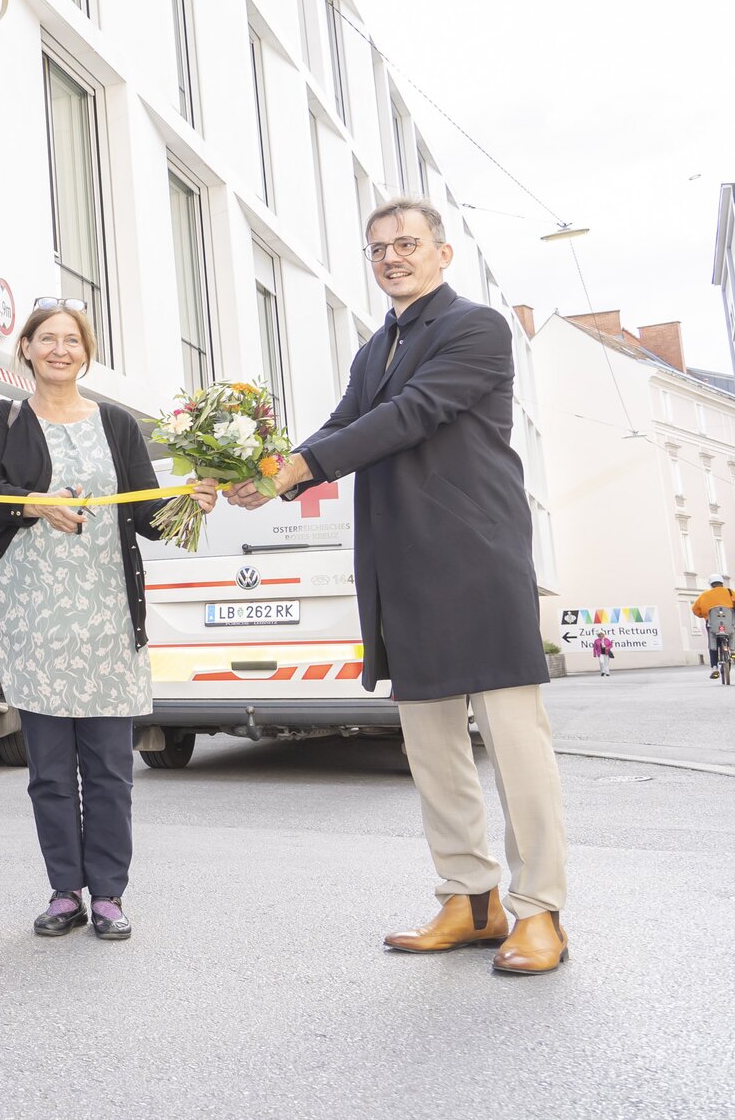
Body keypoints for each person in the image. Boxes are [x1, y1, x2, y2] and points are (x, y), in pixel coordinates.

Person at [227, 196, 570, 975]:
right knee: (432, 745)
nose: (391, 256)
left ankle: (540, 908)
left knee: (517, 746)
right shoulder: (375, 345)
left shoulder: (477, 327)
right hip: (402, 562)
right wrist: (266, 478)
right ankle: (470, 898)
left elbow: (413, 415)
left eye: (406, 243)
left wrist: (300, 468)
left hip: (477, 557)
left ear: (442, 253)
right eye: (377, 246)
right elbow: (345, 419)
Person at [0, 303, 216, 942]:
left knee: (108, 768)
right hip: (34, 617)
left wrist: (189, 502)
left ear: (87, 351)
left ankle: (107, 894)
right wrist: (33, 504)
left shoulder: (117, 424)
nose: (59, 349)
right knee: (49, 770)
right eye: (46, 339)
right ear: (24, 349)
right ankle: (63, 892)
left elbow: (143, 512)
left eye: (71, 340)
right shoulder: (6, 418)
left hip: (107, 617)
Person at [691, 577, 735, 679]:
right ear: (722, 583)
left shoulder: (705, 595)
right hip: (728, 624)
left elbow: (695, 609)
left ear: (711, 585)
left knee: (712, 642)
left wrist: (703, 615)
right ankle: (733, 650)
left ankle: (714, 668)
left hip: (712, 624)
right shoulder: (729, 592)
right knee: (733, 628)